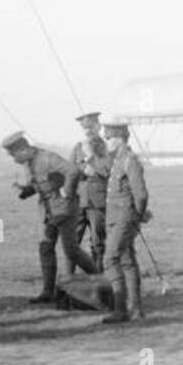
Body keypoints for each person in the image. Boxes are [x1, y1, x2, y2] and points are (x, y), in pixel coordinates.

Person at [0, 131, 96, 304]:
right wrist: (23, 191)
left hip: (65, 209)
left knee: (71, 251)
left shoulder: (48, 158)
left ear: (23, 149)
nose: (13, 159)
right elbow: (39, 185)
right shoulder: (28, 164)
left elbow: (72, 171)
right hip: (47, 211)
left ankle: (102, 283)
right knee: (45, 248)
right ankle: (47, 292)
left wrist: (66, 192)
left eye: (13, 155)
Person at [99, 115, 150, 324]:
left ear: (120, 138)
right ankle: (135, 311)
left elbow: (141, 194)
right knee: (127, 261)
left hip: (124, 219)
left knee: (109, 259)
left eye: (110, 138)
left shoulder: (130, 160)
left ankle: (121, 309)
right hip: (115, 218)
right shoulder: (117, 161)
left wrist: (137, 215)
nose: (107, 142)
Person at [70, 111, 111, 273]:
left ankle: (98, 277)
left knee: (98, 242)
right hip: (79, 201)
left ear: (98, 127)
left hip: (98, 202)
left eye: (91, 127)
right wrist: (82, 170)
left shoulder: (105, 147)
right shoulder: (77, 147)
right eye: (84, 128)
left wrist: (92, 159)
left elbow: (107, 171)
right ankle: (68, 280)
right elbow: (70, 171)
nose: (88, 131)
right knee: (72, 242)